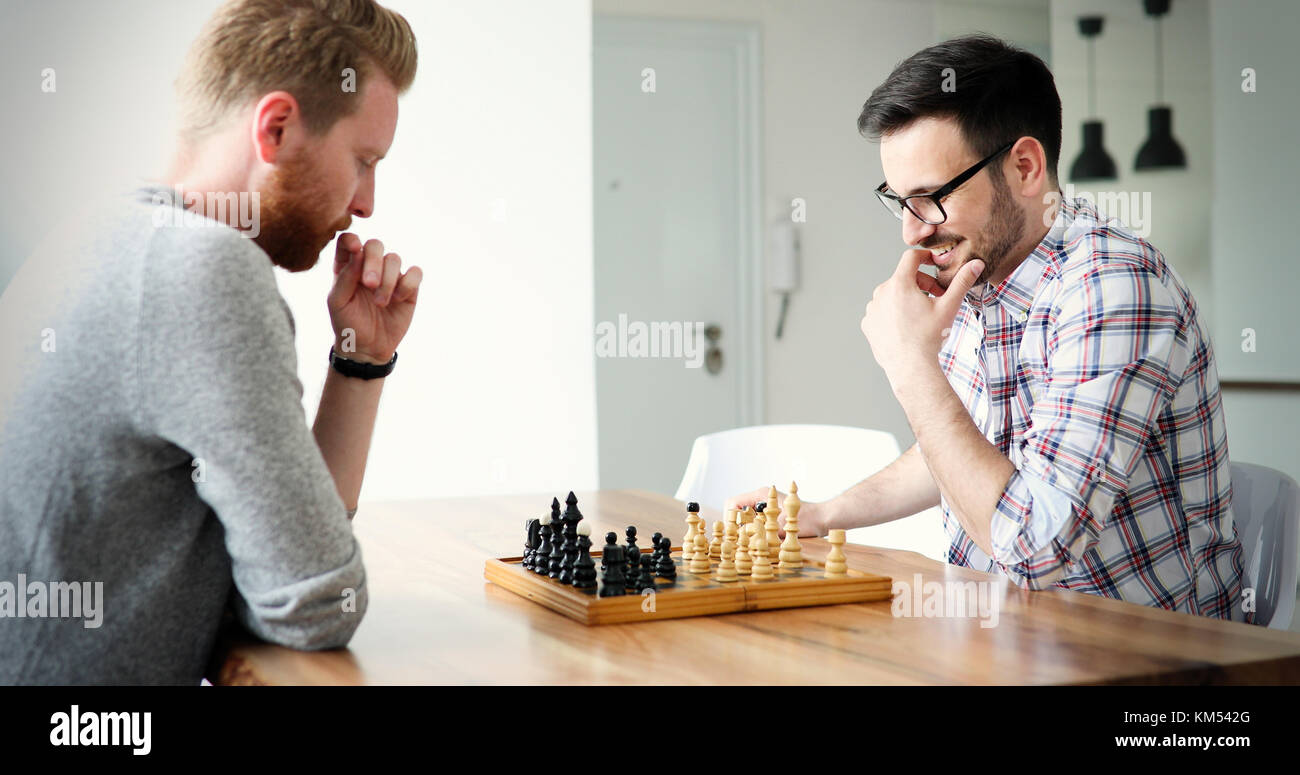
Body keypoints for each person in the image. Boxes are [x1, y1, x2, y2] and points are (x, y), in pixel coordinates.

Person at [730, 35, 1248, 622]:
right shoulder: (984, 276)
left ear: (1025, 168)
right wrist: (827, 514)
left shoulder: (1113, 288)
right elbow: (958, 450)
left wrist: (910, 365)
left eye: (932, 197)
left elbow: (1035, 549)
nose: (911, 231)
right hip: (999, 634)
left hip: (1142, 652)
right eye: (899, 201)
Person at [0, 0, 422, 683]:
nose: (366, 201)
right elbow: (313, 605)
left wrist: (361, 361)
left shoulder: (105, 235)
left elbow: (291, 568)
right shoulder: (203, 268)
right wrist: (301, 581)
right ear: (276, 127)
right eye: (363, 160)